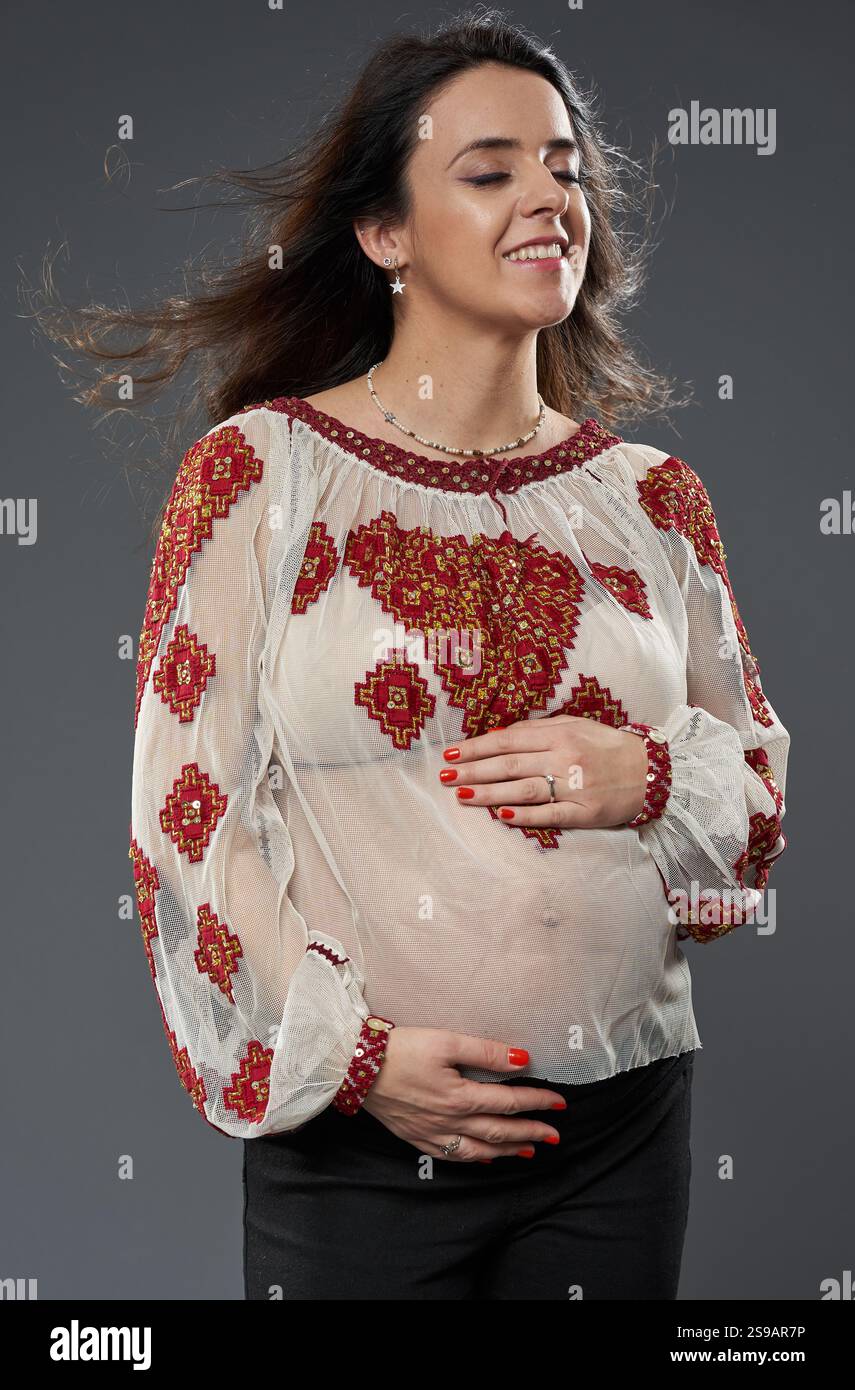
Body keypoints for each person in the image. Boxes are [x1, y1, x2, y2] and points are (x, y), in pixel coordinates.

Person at [39, 8, 790, 1299]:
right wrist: (361, 1058)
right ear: (384, 234)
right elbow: (186, 815)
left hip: (624, 1129)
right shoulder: (259, 478)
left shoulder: (658, 497)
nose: (549, 195)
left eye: (566, 166)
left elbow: (757, 824)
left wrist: (647, 775)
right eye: (490, 170)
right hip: (362, 1147)